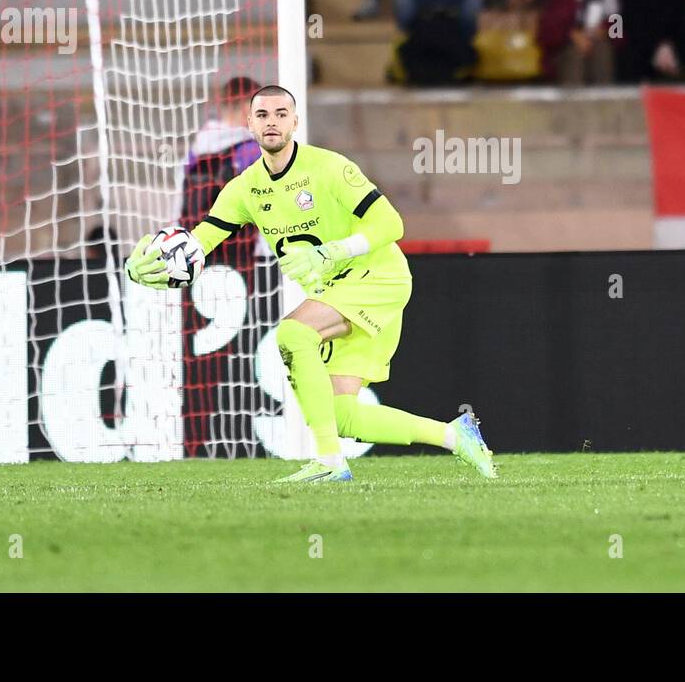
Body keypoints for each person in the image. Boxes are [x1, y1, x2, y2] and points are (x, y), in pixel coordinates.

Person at [125, 85, 499, 483]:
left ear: (295, 121)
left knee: (293, 334)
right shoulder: (243, 189)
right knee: (343, 415)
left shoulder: (328, 167)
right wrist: (143, 264)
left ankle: (329, 462)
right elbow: (201, 240)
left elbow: (392, 224)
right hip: (340, 291)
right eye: (263, 115)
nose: (272, 122)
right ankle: (454, 436)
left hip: (377, 277)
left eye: (281, 114)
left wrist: (331, 252)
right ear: (249, 124)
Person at [179, 76, 264, 458]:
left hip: (197, 265)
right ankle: (247, 438)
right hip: (247, 265)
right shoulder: (250, 152)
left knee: (199, 362)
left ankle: (195, 443)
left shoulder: (197, 148)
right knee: (246, 356)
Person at [538, 0, 631, 84]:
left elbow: (618, 36)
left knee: (602, 48)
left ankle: (603, 98)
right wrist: (573, 35)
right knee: (577, 51)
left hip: (598, 51)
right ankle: (574, 101)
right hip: (563, 52)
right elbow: (547, 32)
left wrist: (604, 32)